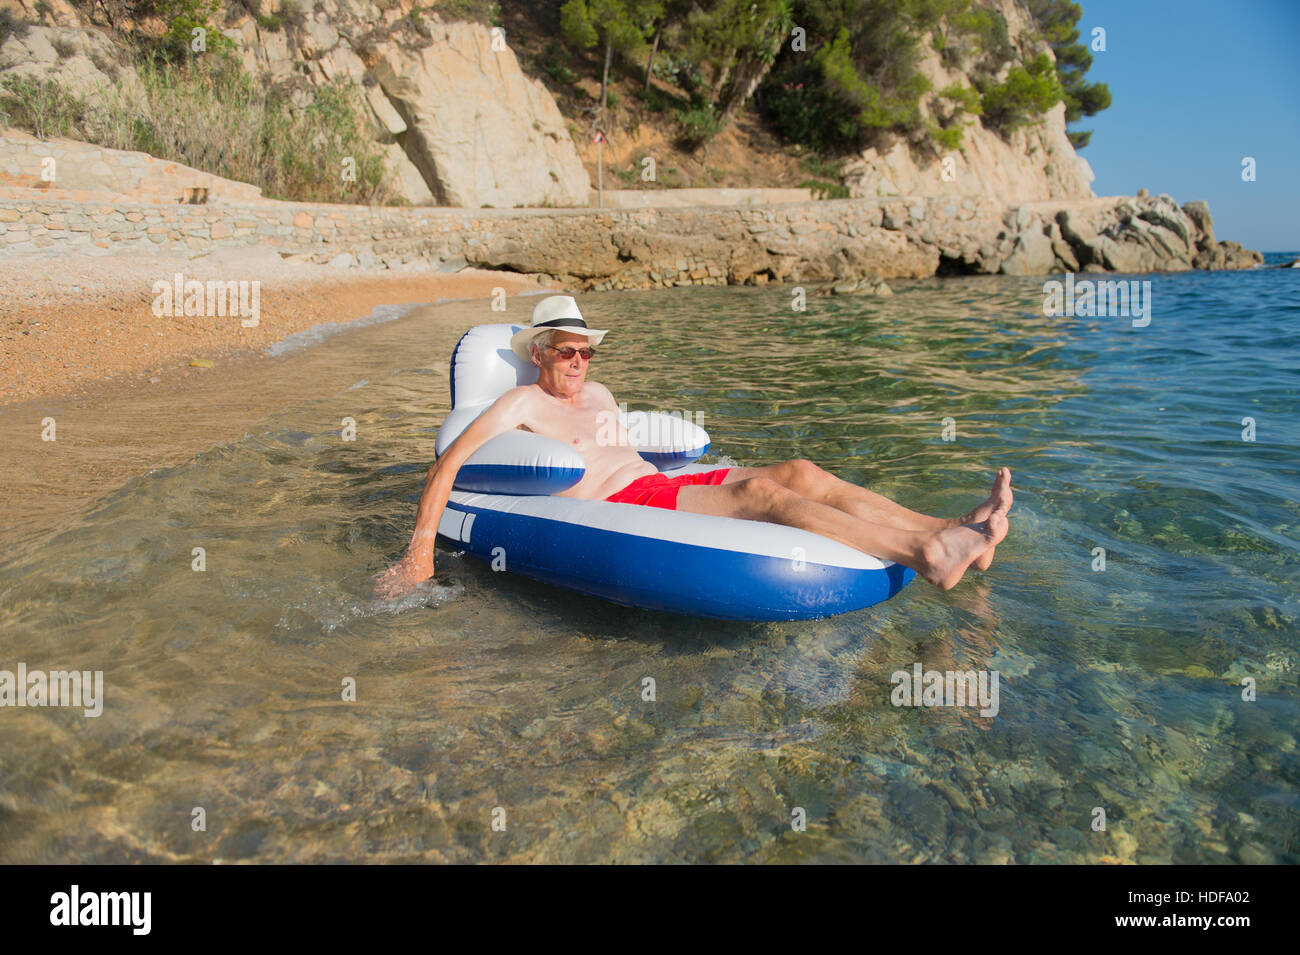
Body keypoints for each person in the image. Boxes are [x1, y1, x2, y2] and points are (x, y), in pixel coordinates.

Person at [374, 295, 1011, 598]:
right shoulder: (520, 405)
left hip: (657, 482)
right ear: (537, 352)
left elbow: (637, 452)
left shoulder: (599, 393)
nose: (577, 361)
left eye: (585, 350)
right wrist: (418, 554)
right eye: (565, 350)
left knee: (798, 469)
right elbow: (449, 464)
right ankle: (925, 554)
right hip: (624, 500)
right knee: (763, 494)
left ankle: (953, 525)